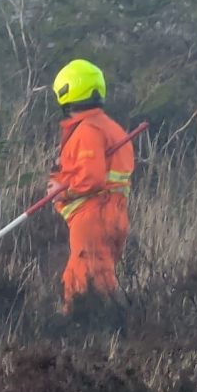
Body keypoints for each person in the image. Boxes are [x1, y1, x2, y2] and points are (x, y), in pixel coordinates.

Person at [46, 59, 133, 315]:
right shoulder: (111, 127)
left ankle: (108, 335)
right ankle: (88, 334)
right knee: (82, 278)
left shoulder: (88, 130)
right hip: (113, 214)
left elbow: (90, 179)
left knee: (89, 283)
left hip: (92, 216)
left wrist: (61, 189)